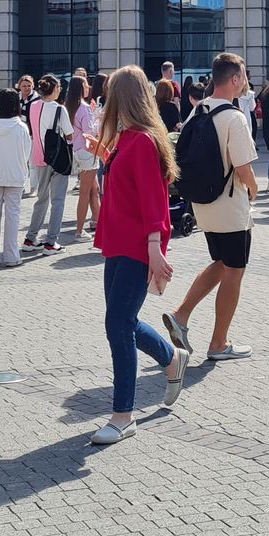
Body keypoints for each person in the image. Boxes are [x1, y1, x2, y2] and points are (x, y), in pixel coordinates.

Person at [86, 66, 187, 444]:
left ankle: (123, 414)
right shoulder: (129, 138)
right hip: (118, 242)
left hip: (135, 246)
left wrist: (154, 250)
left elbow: (152, 200)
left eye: (110, 94)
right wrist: (103, 152)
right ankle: (172, 358)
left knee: (118, 323)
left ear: (122, 98)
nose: (104, 101)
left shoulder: (143, 140)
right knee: (121, 321)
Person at [163, 52, 258, 364]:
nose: (245, 82)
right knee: (235, 270)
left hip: (204, 204)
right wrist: (255, 190)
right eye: (243, 76)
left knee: (220, 261)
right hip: (230, 205)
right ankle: (219, 342)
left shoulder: (197, 112)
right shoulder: (234, 117)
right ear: (234, 79)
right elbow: (244, 169)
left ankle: (181, 314)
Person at [23, 74, 74, 252]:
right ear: (53, 89)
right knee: (58, 200)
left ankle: (30, 238)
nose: (60, 90)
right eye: (59, 87)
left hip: (38, 157)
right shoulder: (59, 109)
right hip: (56, 159)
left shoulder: (33, 105)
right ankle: (51, 242)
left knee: (41, 199)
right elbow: (69, 134)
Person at [0, 90, 31, 266]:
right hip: (15, 176)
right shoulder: (21, 127)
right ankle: (11, 256)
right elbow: (26, 153)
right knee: (13, 215)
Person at [69, 75, 102, 241]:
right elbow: (90, 133)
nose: (88, 86)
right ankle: (79, 231)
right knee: (85, 192)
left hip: (77, 150)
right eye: (85, 84)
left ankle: (98, 222)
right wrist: (97, 118)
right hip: (88, 151)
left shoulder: (70, 106)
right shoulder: (84, 107)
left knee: (94, 190)